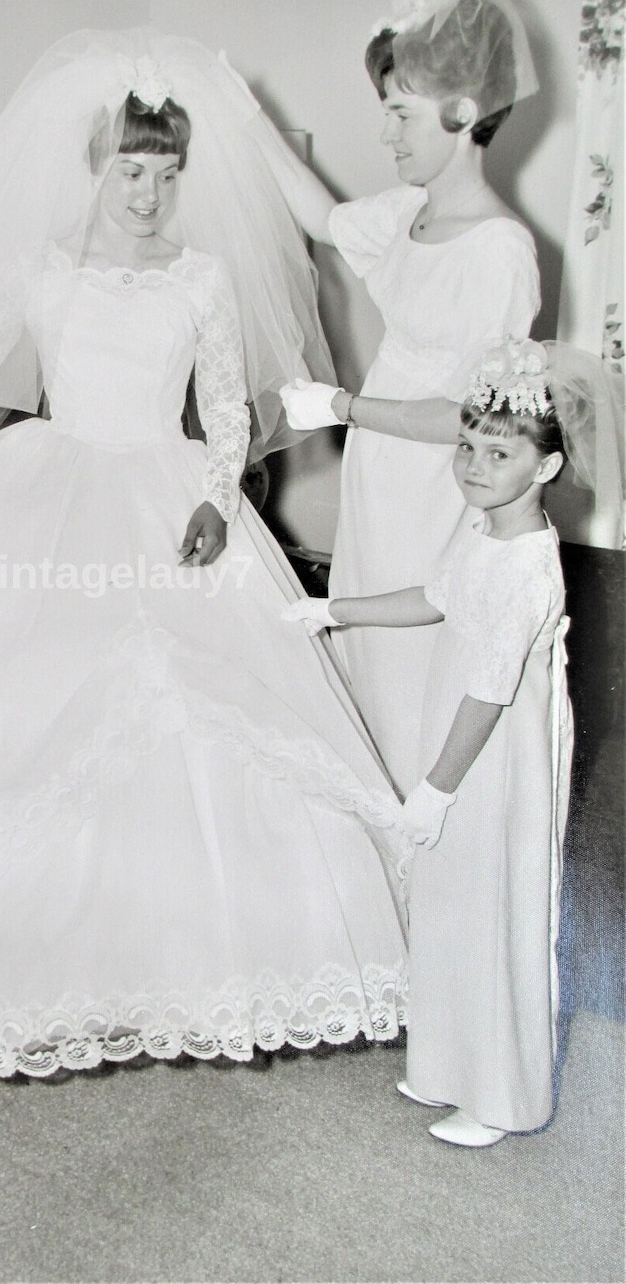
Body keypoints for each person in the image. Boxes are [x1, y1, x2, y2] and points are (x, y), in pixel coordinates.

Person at [0, 30, 411, 1081]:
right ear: (93, 167)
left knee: (192, 708)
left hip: (167, 490)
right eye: (130, 169)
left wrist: (219, 497)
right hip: (44, 489)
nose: (148, 192)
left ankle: (177, 965)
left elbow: (227, 412)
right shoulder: (38, 268)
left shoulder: (204, 278)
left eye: (167, 172)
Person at [284, 337, 622, 1146]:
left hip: (492, 757)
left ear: (544, 469)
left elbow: (491, 691)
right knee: (451, 902)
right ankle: (446, 1066)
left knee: (494, 907)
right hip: (462, 739)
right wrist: (337, 610)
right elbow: (435, 596)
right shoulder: (483, 531)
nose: (472, 464)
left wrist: (436, 787)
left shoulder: (528, 564)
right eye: (467, 446)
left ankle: (505, 1097)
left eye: (498, 453)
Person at [263, 0, 542, 796]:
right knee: (367, 657)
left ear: (462, 113)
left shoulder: (500, 252)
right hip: (380, 478)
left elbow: (473, 419)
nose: (384, 134)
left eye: (401, 113)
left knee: (418, 663)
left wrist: (346, 407)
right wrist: (253, 126)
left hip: (438, 489)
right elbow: (323, 219)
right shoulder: (405, 213)